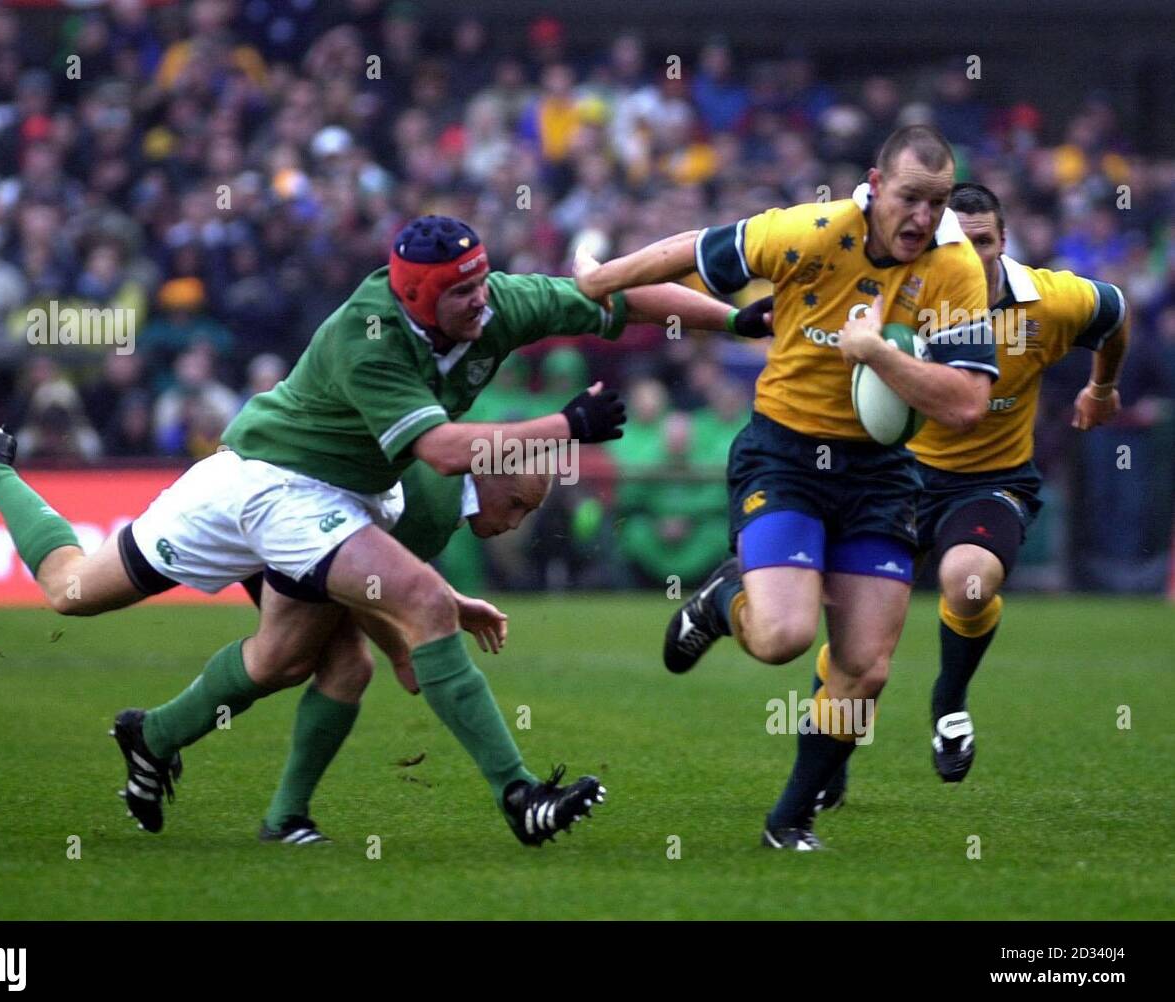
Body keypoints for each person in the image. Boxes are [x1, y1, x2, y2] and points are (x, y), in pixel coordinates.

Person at [0, 214, 745, 847]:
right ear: (415, 296)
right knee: (72, 591)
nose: (480, 299)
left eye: (482, 280)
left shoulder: (493, 306)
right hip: (261, 486)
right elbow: (446, 448)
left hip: (336, 502)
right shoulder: (369, 334)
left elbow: (617, 295)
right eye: (460, 290)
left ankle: (181, 753)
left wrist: (742, 323)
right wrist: (562, 427)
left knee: (318, 661)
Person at [575, 126, 998, 850]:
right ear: (874, 185)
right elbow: (696, 248)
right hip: (787, 456)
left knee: (864, 668)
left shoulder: (955, 267)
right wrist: (603, 278)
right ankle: (721, 599)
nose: (923, 218)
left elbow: (963, 404)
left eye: (936, 202)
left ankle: (789, 820)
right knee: (783, 637)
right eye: (909, 199)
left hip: (881, 474)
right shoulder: (809, 230)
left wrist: (875, 355)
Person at [815, 182, 1128, 806]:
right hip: (897, 481)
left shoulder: (1050, 301)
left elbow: (1115, 312)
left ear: (1003, 241)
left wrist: (1101, 387)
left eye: (983, 241)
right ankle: (829, 762)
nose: (972, 255)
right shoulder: (903, 298)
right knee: (860, 640)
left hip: (992, 483)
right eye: (956, 242)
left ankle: (949, 700)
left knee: (970, 580)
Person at [248, 462, 552, 844]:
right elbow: (370, 580)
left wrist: (449, 602)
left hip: (290, 505)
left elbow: (374, 574)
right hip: (274, 499)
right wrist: (401, 653)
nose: (515, 523)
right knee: (278, 661)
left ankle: (282, 816)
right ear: (486, 477)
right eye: (515, 505)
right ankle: (517, 791)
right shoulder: (430, 502)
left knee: (341, 667)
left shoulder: (440, 496)